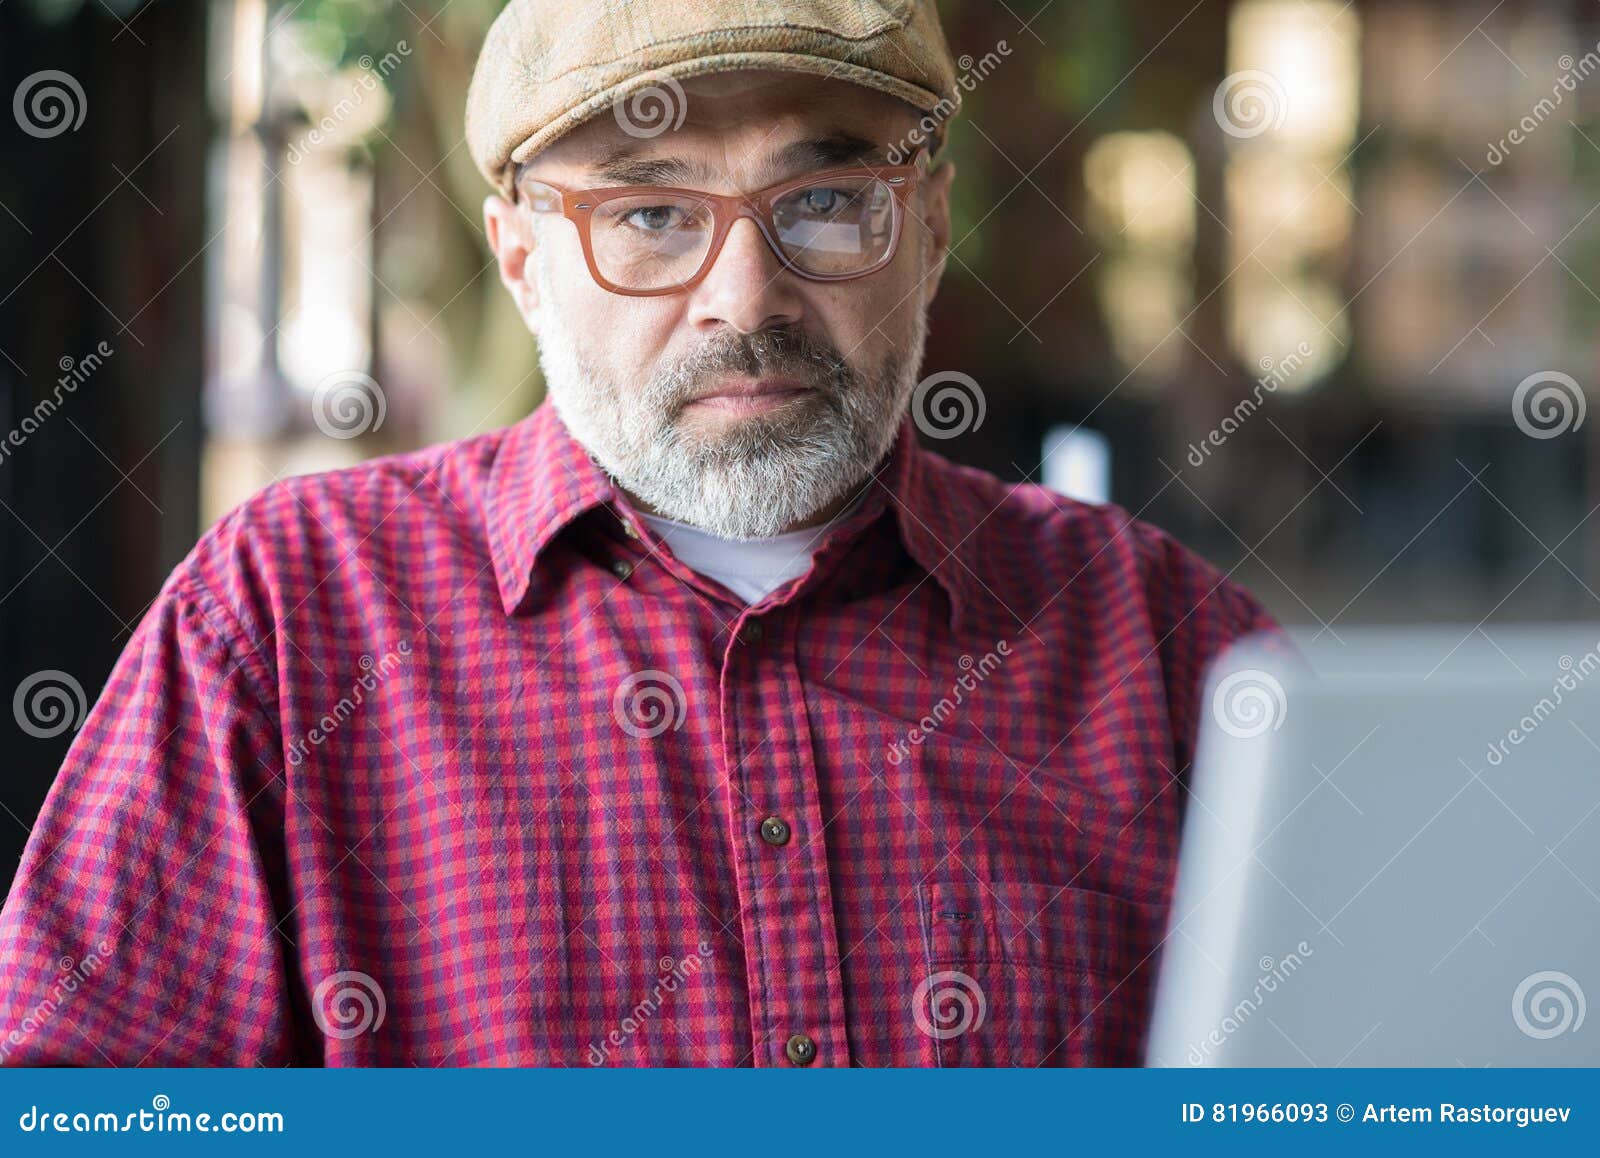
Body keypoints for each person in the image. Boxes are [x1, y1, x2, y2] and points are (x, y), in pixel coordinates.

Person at [0, 0, 1280, 1066]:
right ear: (519, 260)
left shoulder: (1166, 645)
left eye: (826, 200)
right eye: (650, 215)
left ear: (928, 229)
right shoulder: (287, 616)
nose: (744, 297)